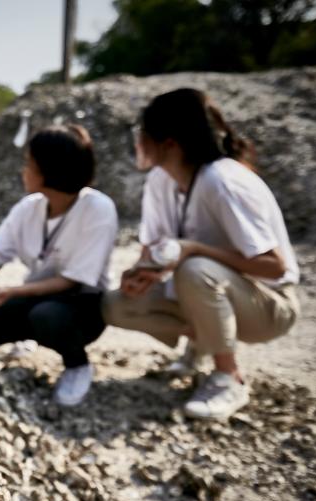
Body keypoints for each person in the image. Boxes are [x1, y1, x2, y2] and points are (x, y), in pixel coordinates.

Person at [104, 88, 300, 421]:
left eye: (144, 134)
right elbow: (153, 250)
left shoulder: (222, 181)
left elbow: (274, 265)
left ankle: (228, 377)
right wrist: (139, 275)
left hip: (270, 305)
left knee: (195, 269)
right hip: (213, 290)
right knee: (115, 305)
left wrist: (195, 250)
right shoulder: (159, 181)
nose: (138, 143)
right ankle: (199, 348)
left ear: (170, 143)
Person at [0, 125, 117, 407]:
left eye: (28, 164)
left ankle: (77, 364)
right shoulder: (28, 209)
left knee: (47, 316)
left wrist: (14, 292)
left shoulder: (98, 209)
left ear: (50, 171)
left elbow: (72, 281)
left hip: (81, 306)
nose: (24, 171)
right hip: (30, 300)